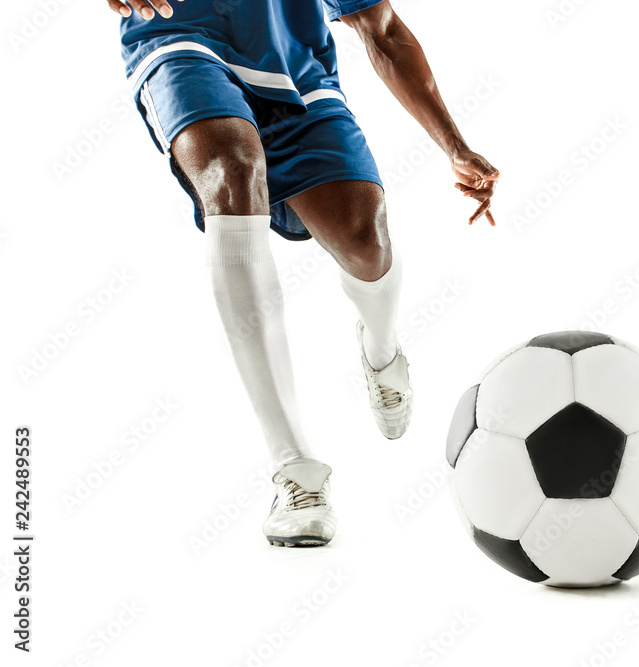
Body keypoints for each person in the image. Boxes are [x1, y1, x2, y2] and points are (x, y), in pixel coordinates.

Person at [106, 0, 500, 546]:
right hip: (180, 39)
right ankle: (294, 470)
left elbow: (383, 30)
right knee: (232, 170)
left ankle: (381, 350)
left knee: (365, 243)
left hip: (297, 73)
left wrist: (455, 146)